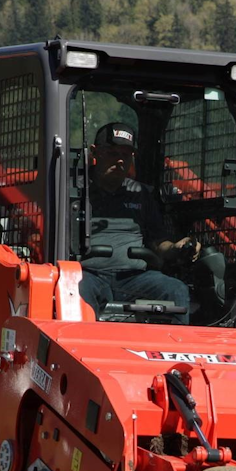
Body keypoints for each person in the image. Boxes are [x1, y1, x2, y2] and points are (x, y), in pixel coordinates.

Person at [78, 122, 199, 322]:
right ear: (94, 152)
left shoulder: (141, 194)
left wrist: (178, 247)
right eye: (112, 153)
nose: (119, 160)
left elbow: (158, 242)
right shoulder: (75, 191)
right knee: (75, 291)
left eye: (125, 155)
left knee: (175, 289)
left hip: (134, 277)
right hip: (88, 274)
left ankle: (169, 350)